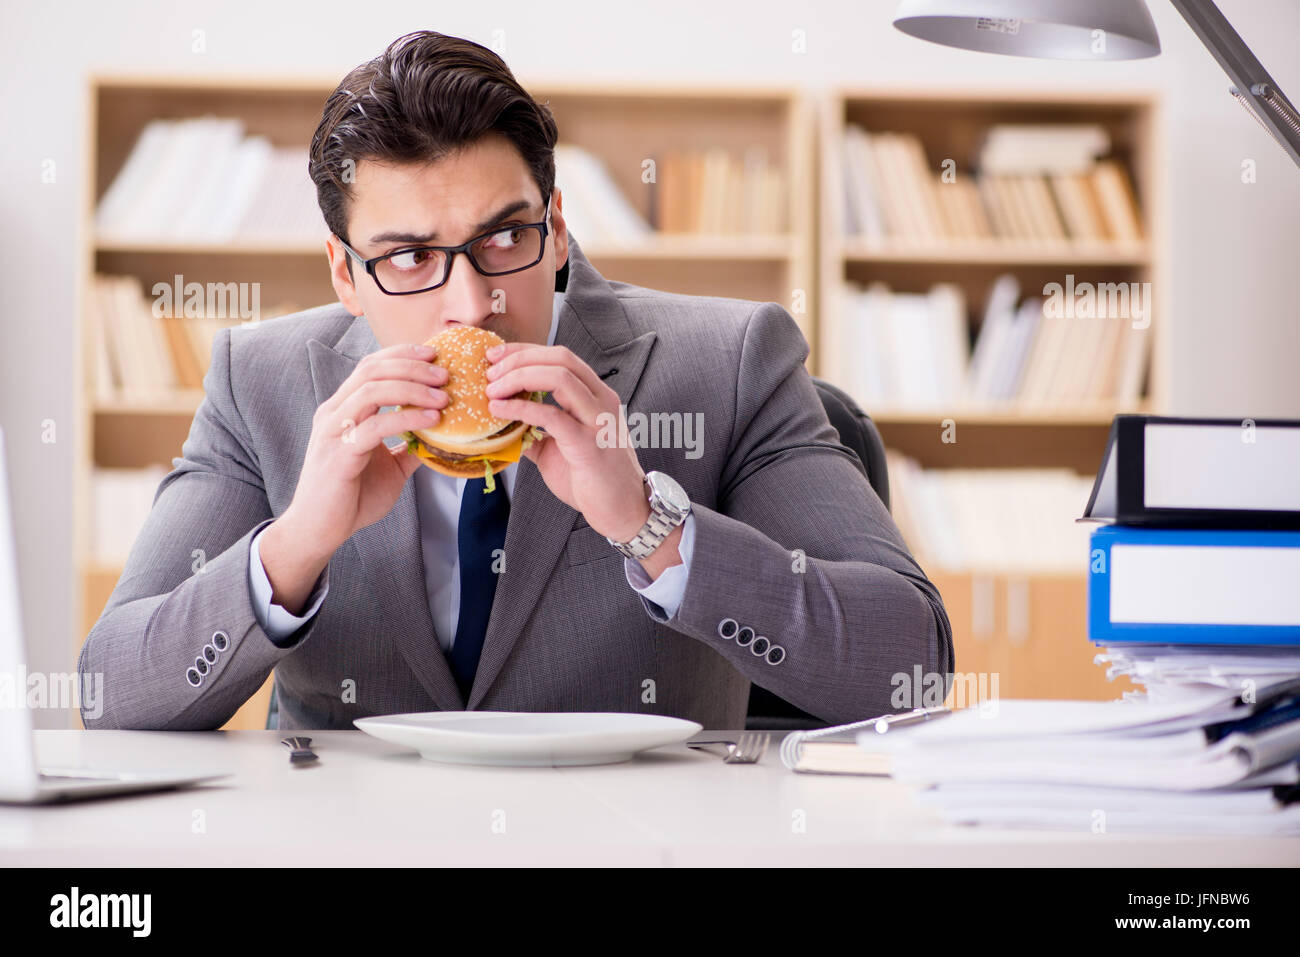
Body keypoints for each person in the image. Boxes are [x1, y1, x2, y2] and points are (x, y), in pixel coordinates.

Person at [78, 30, 953, 731]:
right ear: (345, 275)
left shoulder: (730, 361)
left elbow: (911, 666)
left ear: (558, 228)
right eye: (412, 257)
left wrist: (647, 522)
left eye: (504, 238)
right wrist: (298, 544)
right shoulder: (258, 382)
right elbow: (108, 693)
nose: (471, 303)